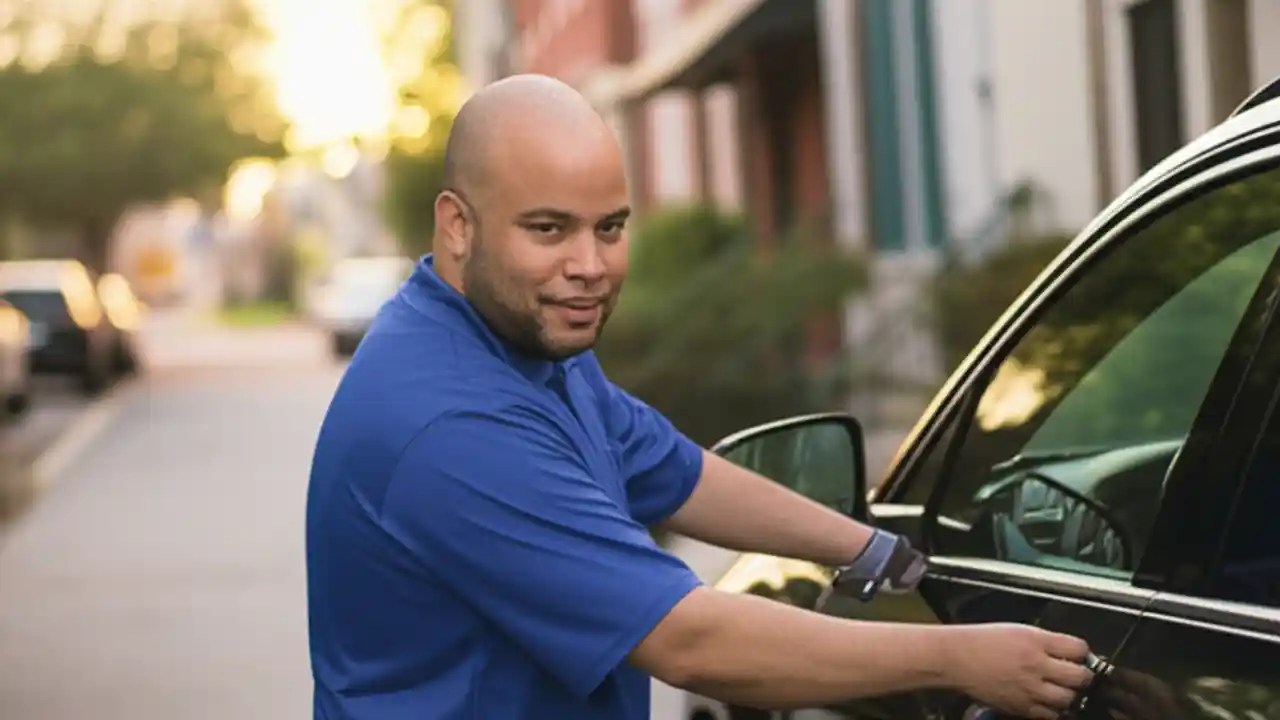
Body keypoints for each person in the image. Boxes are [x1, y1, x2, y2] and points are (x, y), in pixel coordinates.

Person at [305, 74, 1094, 720]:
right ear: (458, 228)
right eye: (548, 230)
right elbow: (690, 643)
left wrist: (872, 548)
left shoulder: (526, 335)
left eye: (610, 228)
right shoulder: (451, 425)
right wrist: (961, 659)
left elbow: (676, 474)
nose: (590, 265)